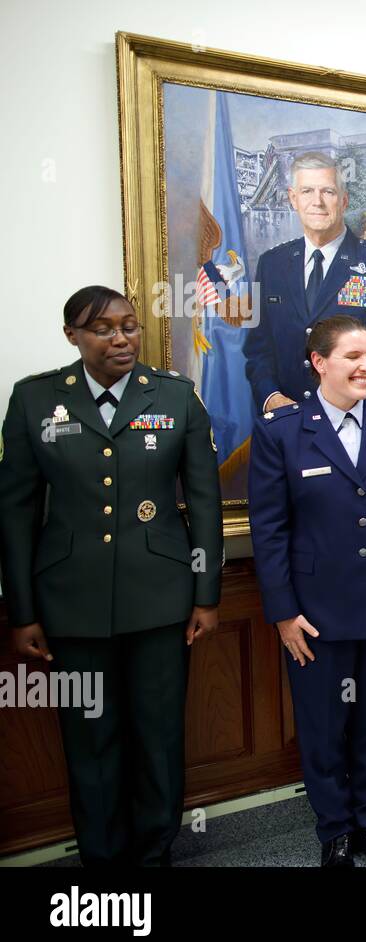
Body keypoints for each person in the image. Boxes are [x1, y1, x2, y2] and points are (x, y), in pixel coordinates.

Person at [0, 285, 222, 865]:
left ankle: (153, 856)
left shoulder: (175, 397)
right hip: (72, 606)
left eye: (129, 326)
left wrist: (206, 595)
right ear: (72, 335)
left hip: (162, 601)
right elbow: (17, 511)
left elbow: (203, 501)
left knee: (158, 737)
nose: (120, 338)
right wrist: (22, 612)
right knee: (90, 741)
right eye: (103, 329)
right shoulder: (34, 401)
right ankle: (103, 864)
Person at [248, 315, 366, 867]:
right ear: (319, 362)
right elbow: (270, 530)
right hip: (314, 612)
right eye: (353, 356)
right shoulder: (282, 430)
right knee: (324, 725)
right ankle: (335, 828)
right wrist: (282, 613)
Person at [244, 152, 366, 413]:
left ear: (343, 200)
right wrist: (271, 397)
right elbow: (258, 350)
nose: (317, 202)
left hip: (357, 423)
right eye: (307, 191)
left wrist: (351, 395)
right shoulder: (271, 265)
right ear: (293, 199)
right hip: (285, 424)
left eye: (327, 192)